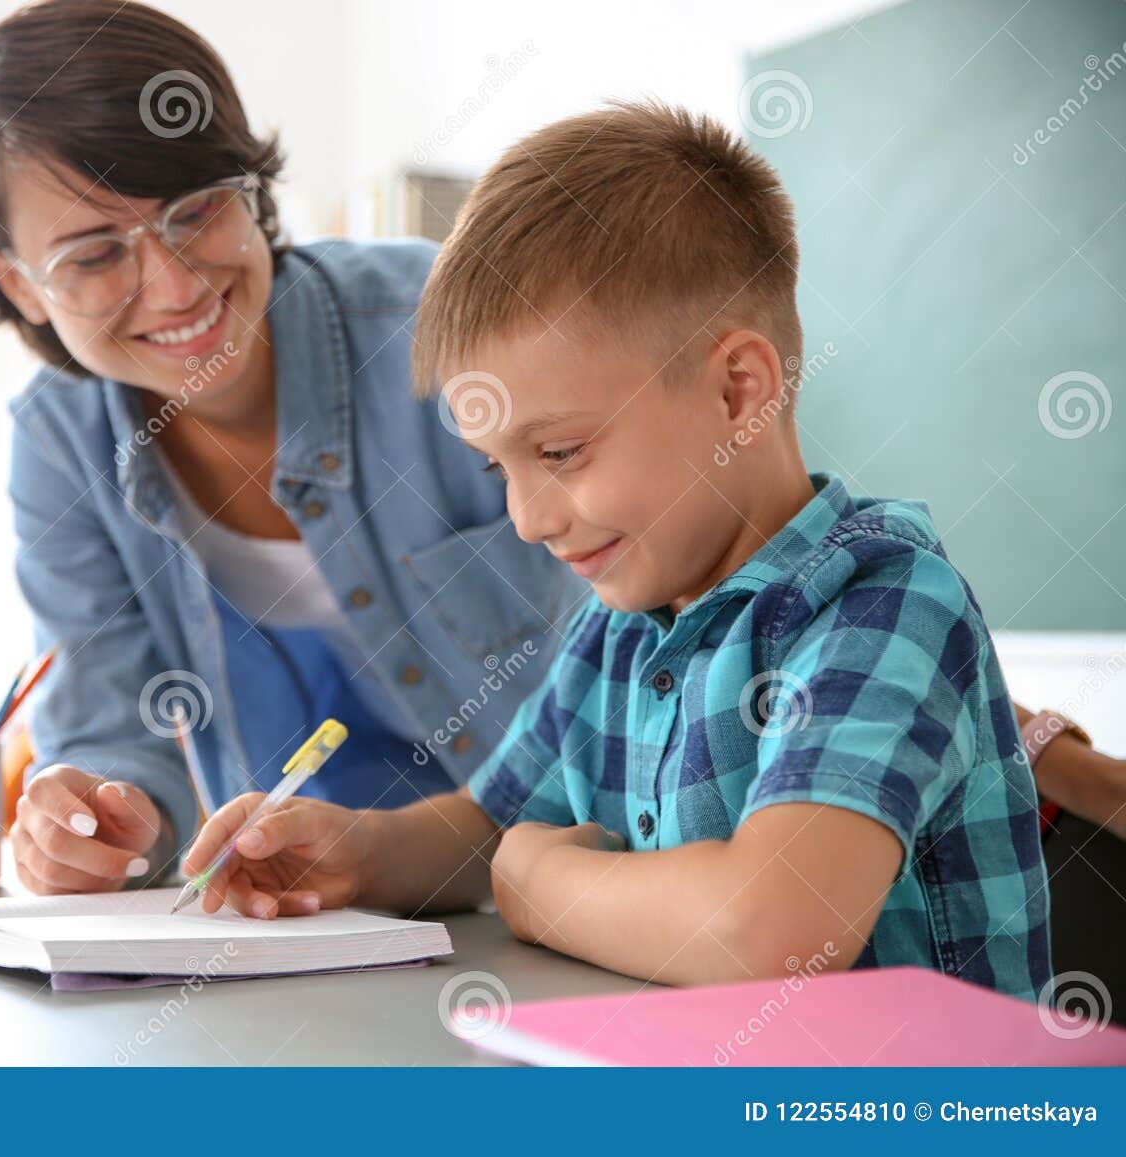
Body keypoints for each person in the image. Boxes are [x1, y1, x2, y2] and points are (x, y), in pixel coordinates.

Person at [183, 102, 1052, 1000]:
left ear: (736, 391)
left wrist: (537, 886)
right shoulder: (623, 624)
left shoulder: (883, 602)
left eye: (559, 453)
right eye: (499, 470)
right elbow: (494, 825)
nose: (525, 518)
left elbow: (768, 928)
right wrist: (354, 852)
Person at [0, 0, 575, 897]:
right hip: (310, 928)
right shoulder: (59, 444)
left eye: (197, 209)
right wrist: (106, 819)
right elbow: (116, 735)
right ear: (17, 281)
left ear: (250, 186)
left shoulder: (445, 333)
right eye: (93, 254)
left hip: (567, 901)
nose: (175, 284)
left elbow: (643, 638)